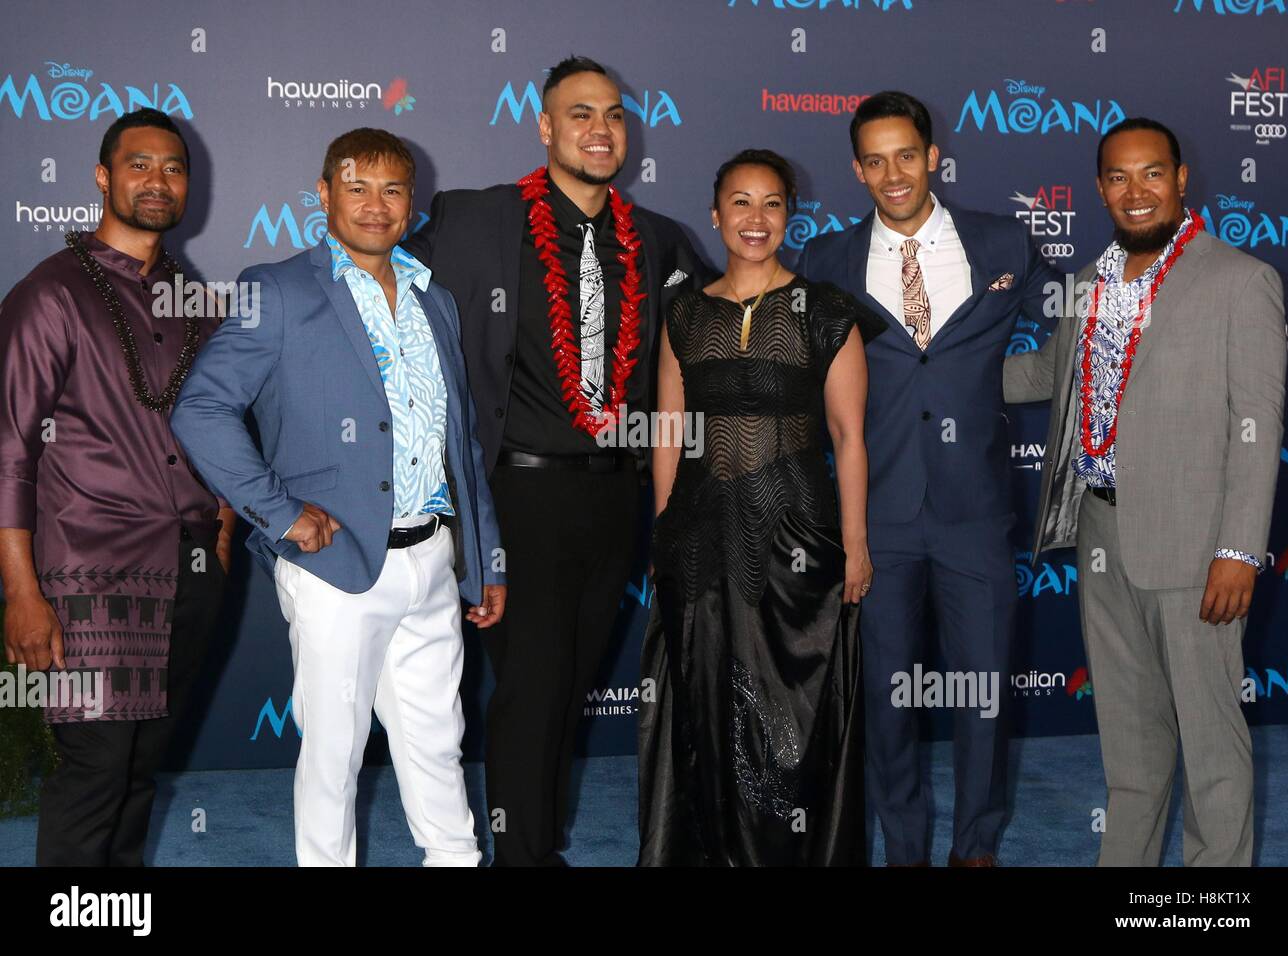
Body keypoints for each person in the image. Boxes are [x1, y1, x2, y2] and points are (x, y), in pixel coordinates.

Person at [170, 128, 504, 867]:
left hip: (433, 557)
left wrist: (485, 558)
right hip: (334, 567)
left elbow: (460, 442)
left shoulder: (435, 299)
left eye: (392, 190)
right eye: (357, 188)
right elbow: (202, 409)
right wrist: (279, 512)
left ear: (411, 202)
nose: (375, 205)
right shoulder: (277, 290)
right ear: (324, 195)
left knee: (438, 741)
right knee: (334, 753)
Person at [400, 56, 704, 866]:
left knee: (568, 690)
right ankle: (524, 858)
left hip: (614, 499)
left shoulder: (660, 240)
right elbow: (377, 284)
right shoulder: (474, 219)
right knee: (532, 691)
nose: (600, 130)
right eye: (580, 114)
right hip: (514, 498)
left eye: (613, 115)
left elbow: (717, 340)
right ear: (544, 127)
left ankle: (535, 847)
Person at [1004, 118, 1285, 866]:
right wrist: (923, 373)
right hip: (1102, 537)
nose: (1136, 191)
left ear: (1181, 179)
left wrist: (1239, 551)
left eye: (1152, 173)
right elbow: (1043, 376)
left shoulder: (1241, 280)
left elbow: (1258, 428)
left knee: (1211, 744)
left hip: (1197, 548)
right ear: (1100, 188)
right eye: (1119, 177)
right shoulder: (1087, 285)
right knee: (1128, 746)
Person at [797, 91, 1061, 866]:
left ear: (933, 157)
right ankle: (904, 848)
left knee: (985, 695)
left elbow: (1075, 331)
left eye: (906, 156)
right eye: (875, 161)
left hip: (975, 513)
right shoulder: (826, 261)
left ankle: (976, 846)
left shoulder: (1002, 242)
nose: (893, 174)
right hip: (874, 516)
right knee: (885, 703)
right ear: (857, 170)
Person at [0, 108, 233, 866]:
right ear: (103, 178)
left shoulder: (195, 302)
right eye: (139, 165)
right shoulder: (50, 294)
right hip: (89, 573)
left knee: (139, 772)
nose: (157, 180)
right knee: (94, 771)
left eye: (173, 168)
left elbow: (223, 431)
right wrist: (22, 594)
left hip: (189, 569)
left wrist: (222, 535)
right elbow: (9, 453)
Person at [639, 149, 884, 866]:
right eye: (740, 203)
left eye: (772, 203)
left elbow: (849, 436)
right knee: (705, 699)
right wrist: (663, 529)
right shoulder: (684, 313)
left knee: (792, 708)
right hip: (700, 535)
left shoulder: (827, 312)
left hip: (797, 540)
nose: (756, 218)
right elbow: (669, 430)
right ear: (715, 215)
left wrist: (856, 543)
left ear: (789, 216)